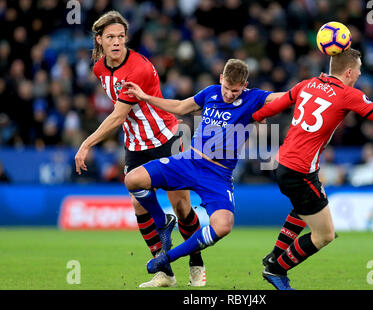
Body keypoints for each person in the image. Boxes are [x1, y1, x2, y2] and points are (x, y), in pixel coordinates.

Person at [252, 48, 373, 290]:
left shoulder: (308, 83)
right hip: (301, 172)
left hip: (283, 165)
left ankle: (275, 255)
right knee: (324, 235)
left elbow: (274, 107)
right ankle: (276, 269)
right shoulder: (347, 94)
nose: (360, 74)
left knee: (304, 209)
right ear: (350, 71)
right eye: (360, 70)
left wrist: (254, 116)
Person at [74, 11, 206, 288]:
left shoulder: (139, 68)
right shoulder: (99, 69)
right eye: (110, 37)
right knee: (138, 204)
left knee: (182, 206)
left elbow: (118, 115)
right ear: (99, 39)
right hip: (136, 145)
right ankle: (165, 272)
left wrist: (85, 143)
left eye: (121, 36)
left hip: (167, 139)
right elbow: (122, 114)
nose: (117, 42)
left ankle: (196, 262)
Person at [122, 59, 284, 278]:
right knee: (132, 180)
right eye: (226, 88)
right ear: (221, 80)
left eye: (235, 90)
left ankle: (167, 258)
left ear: (244, 85)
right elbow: (180, 106)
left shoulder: (253, 98)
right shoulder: (210, 92)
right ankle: (163, 223)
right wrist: (146, 97)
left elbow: (286, 97)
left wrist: (311, 87)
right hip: (190, 161)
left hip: (218, 174)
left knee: (224, 225)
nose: (229, 94)